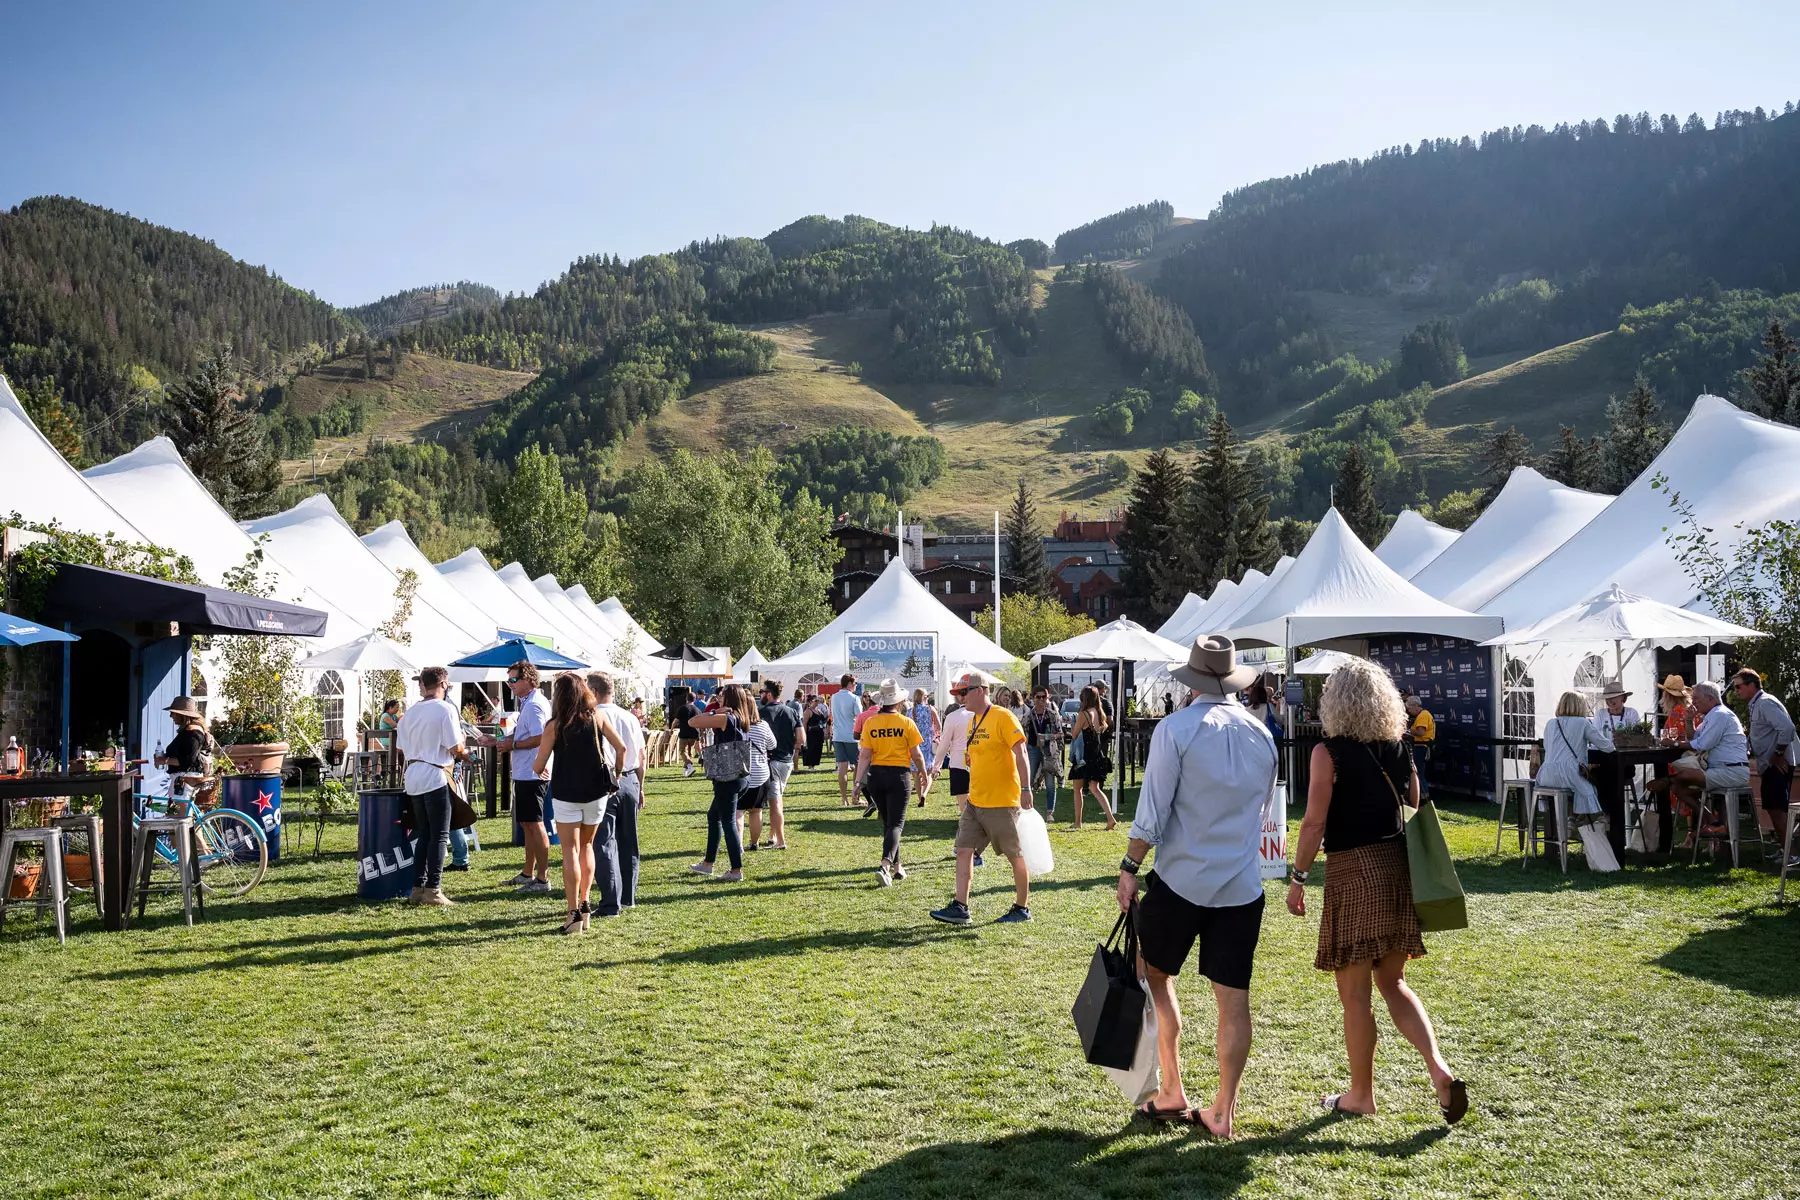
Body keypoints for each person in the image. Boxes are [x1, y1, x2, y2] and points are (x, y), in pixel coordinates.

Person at [1285, 658, 1468, 1124]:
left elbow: (1313, 823)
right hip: (1396, 869)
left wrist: (1298, 878)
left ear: (1335, 702)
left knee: (1355, 996)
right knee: (1394, 983)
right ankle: (1439, 1068)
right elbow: (1411, 801)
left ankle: (1361, 1095)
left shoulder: (1327, 753)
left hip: (1353, 871)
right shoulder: (1399, 747)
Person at [1116, 635, 1277, 1135]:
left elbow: (1152, 811)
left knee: (1154, 975)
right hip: (1240, 886)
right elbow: (1264, 811)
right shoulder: (1262, 734)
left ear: (1192, 679)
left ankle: (1171, 1089)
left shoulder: (1176, 728)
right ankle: (1224, 1110)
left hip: (1181, 878)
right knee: (1234, 1001)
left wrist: (1128, 866)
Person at [930, 671, 1035, 926]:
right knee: (964, 850)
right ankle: (961, 906)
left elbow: (1020, 751)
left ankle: (1022, 908)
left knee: (1015, 856)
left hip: (1002, 803)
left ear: (980, 691)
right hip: (975, 802)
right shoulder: (972, 721)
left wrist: (1026, 788)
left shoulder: (1003, 716)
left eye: (964, 693)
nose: (961, 698)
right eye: (958, 694)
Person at [532, 674, 626, 933]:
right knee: (588, 846)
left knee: (569, 851)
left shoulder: (555, 724)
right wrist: (617, 774)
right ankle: (585, 904)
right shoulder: (598, 717)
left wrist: (539, 767)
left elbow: (539, 765)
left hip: (566, 792)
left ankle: (572, 912)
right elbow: (621, 748)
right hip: (596, 791)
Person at [395, 666, 471, 908]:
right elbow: (455, 748)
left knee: (425, 834)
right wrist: (466, 752)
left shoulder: (409, 714)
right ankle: (434, 890)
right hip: (435, 775)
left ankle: (418, 888)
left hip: (414, 775)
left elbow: (400, 749)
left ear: (423, 685)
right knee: (439, 835)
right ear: (443, 684)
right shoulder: (445, 709)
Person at [689, 684, 773, 881]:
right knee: (714, 816)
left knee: (727, 821)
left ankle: (736, 870)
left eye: (722, 696)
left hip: (728, 777)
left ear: (731, 699)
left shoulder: (726, 717)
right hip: (740, 776)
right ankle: (708, 864)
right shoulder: (742, 717)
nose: (718, 698)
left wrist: (717, 711)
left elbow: (693, 721)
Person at [483, 662, 553, 894]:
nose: (509, 684)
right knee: (527, 823)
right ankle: (528, 873)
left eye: (513, 680)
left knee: (534, 824)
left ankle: (542, 879)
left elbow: (541, 736)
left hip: (533, 773)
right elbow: (525, 733)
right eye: (509, 680)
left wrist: (511, 744)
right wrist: (497, 741)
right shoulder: (528, 703)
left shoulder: (534, 705)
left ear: (529, 679)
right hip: (527, 772)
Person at [854, 679, 928, 886]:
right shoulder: (906, 723)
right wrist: (924, 773)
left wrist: (857, 783)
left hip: (876, 777)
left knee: (889, 824)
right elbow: (917, 755)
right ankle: (885, 865)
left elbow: (864, 756)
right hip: (899, 776)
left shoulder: (871, 723)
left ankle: (898, 867)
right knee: (896, 824)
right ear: (899, 701)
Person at [1665, 681, 1751, 849]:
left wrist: (1674, 744)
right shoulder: (1711, 716)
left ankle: (1714, 824)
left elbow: (1702, 744)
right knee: (1677, 787)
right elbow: (1694, 738)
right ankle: (1714, 822)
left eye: (1696, 698)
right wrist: (1689, 720)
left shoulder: (1720, 715)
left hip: (1731, 771)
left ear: (1710, 698)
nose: (1693, 702)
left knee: (1682, 777)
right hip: (1720, 769)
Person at [588, 670, 646, 914]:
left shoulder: (594, 716)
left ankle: (611, 900)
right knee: (628, 840)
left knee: (604, 842)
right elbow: (641, 756)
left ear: (594, 691)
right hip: (631, 778)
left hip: (607, 780)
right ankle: (628, 896)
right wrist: (641, 787)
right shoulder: (629, 717)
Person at [1733, 668, 1796, 862]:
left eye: (1739, 687)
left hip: (1777, 764)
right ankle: (1784, 850)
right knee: (1774, 808)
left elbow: (1787, 728)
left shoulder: (1765, 702)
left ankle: (1791, 855)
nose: (1736, 691)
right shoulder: (1758, 703)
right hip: (1770, 764)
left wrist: (1777, 754)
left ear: (1752, 685)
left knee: (1777, 810)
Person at [1534, 690, 1615, 834]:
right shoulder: (1582, 723)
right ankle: (1598, 825)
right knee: (1592, 783)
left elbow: (1547, 747)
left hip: (1546, 774)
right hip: (1569, 773)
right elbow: (1607, 747)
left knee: (1581, 784)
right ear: (1579, 706)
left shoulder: (1551, 723)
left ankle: (1572, 822)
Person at [758, 679, 800, 850]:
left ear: (769, 694)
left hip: (771, 761)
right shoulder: (791, 711)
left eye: (762, 692)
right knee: (777, 799)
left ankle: (780, 840)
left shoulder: (761, 712)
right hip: (787, 761)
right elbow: (801, 739)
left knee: (775, 802)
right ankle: (772, 835)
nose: (760, 694)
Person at [1068, 685, 1117, 831]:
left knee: (1077, 789)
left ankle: (1078, 822)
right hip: (1096, 754)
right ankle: (1110, 818)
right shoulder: (1098, 712)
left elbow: (1075, 734)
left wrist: (1072, 724)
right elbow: (1103, 727)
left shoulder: (1083, 714)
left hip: (1084, 756)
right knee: (1095, 788)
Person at [156, 696, 216, 806]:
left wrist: (164, 760)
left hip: (184, 780)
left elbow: (187, 761)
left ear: (181, 715)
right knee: (174, 816)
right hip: (181, 779)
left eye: (173, 713)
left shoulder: (193, 733)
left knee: (179, 819)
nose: (171, 716)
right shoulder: (188, 732)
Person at [1025, 688, 1066, 817]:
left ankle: (1050, 812)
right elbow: (1023, 733)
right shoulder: (1028, 715)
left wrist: (1047, 737)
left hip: (1049, 750)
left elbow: (1060, 734)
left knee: (1050, 782)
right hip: (1033, 749)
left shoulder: (1052, 715)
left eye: (1044, 697)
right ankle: (1028, 809)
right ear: (1033, 698)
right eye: (1038, 697)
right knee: (1029, 779)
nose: (1041, 700)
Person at [831, 675, 862, 806]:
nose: (856, 685)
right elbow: (859, 716)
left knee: (842, 767)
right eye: (855, 683)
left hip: (838, 736)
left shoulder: (834, 697)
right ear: (849, 683)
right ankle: (855, 796)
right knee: (858, 767)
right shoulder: (854, 698)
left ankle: (844, 798)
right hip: (852, 736)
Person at [1404, 695, 1436, 800]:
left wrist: (1408, 729)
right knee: (1418, 772)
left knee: (1418, 773)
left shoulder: (1423, 715)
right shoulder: (1422, 715)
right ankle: (1421, 796)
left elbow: (1421, 732)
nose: (1409, 711)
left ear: (1415, 706)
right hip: (1420, 747)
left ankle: (1424, 797)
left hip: (1421, 747)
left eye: (1409, 708)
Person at [910, 687, 940, 793]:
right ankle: (924, 794)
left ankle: (919, 797)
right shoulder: (930, 709)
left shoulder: (910, 711)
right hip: (927, 744)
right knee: (928, 773)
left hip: (914, 745)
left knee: (916, 774)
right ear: (924, 697)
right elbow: (939, 726)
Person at [674, 687, 703, 777]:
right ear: (695, 699)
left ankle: (690, 766)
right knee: (689, 752)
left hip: (684, 733)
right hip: (694, 734)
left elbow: (676, 721)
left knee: (683, 751)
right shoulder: (698, 710)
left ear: (686, 699)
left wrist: (671, 729)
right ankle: (686, 771)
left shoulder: (681, 708)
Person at [1656, 674, 1694, 742]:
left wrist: (1661, 741)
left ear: (1667, 696)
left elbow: (1678, 739)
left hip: (1680, 750)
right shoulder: (1689, 709)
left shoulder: (1676, 711)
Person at [801, 688, 828, 770]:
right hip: (811, 733)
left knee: (818, 749)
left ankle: (814, 764)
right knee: (811, 749)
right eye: (815, 701)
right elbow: (804, 723)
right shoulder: (808, 711)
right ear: (810, 702)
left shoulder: (818, 710)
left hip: (819, 733)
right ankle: (810, 765)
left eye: (818, 701)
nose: (817, 702)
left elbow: (823, 720)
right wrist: (804, 734)